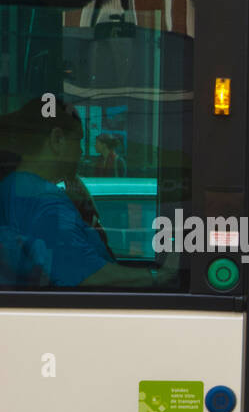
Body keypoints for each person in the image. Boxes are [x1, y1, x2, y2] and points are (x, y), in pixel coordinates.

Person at [0, 97, 175, 288]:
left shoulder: (12, 187)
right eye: (78, 140)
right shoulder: (47, 203)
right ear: (57, 139)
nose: (81, 151)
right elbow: (88, 275)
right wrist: (159, 277)